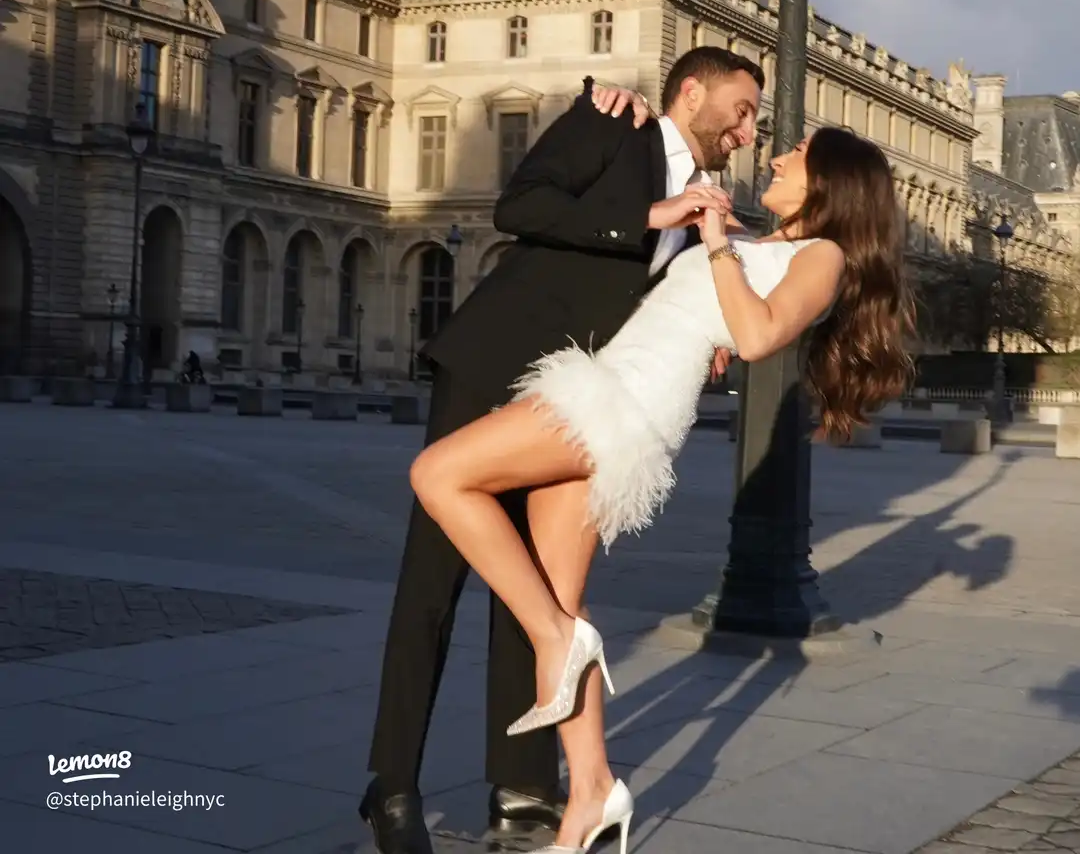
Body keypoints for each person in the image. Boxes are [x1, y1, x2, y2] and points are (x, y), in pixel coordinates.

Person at [409, 121, 914, 854]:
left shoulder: (823, 255)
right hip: (606, 382)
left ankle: (557, 642)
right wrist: (706, 236)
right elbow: (689, 307)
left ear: (832, 182)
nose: (774, 155)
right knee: (560, 593)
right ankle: (592, 792)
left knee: (439, 473)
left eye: (796, 155)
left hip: (621, 403)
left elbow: (757, 336)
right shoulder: (756, 241)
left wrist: (716, 248)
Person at [360, 48, 763, 854]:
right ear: (693, 91)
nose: (750, 131)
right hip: (493, 364)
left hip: (576, 399)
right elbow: (522, 206)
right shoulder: (613, 126)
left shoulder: (715, 203)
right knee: (431, 585)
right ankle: (393, 784)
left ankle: (522, 787)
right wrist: (650, 218)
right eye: (744, 108)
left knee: (537, 593)